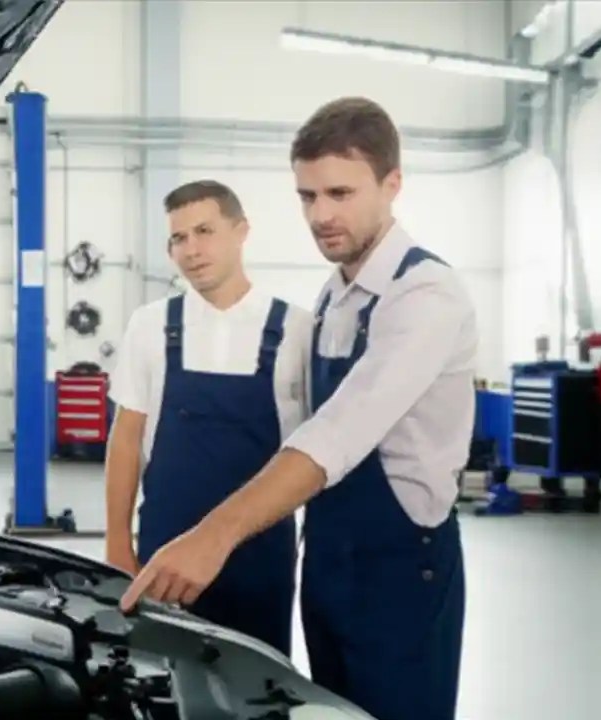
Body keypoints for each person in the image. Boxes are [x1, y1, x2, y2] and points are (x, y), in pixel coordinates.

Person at [119, 97, 476, 720]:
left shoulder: (424, 294)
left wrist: (214, 536)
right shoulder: (335, 299)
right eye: (308, 197)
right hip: (329, 563)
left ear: (392, 184)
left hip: (400, 571)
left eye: (340, 192)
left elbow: (338, 433)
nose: (322, 215)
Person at [103, 179, 312, 658]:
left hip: (261, 558)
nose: (191, 249)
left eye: (205, 230)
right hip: (163, 551)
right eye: (179, 238)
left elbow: (317, 453)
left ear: (241, 231)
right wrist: (117, 544)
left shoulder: (298, 331)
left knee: (259, 684)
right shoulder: (150, 325)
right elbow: (126, 439)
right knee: (163, 684)